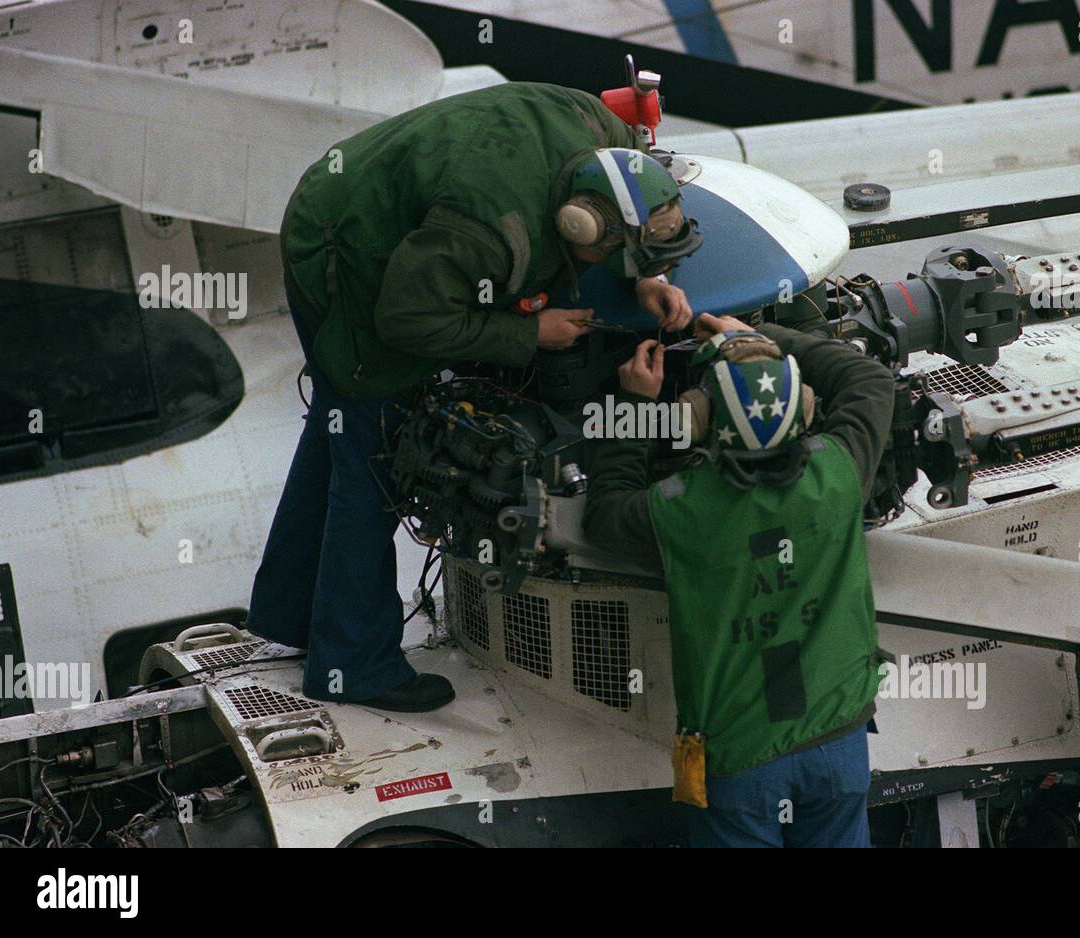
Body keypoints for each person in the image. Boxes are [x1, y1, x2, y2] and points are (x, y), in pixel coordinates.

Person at [247, 82, 702, 712]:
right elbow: (406, 322)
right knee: (372, 444)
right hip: (343, 244)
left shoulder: (608, 143)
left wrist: (647, 274)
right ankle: (351, 665)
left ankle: (290, 612)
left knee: (338, 429)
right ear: (582, 225)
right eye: (617, 253)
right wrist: (526, 332)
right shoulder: (492, 231)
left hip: (383, 203)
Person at [583, 312, 894, 846]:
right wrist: (759, 335)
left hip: (738, 760)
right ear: (805, 406)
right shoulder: (841, 472)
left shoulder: (679, 510)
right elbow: (870, 379)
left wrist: (632, 404)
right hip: (838, 743)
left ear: (699, 418)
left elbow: (604, 512)